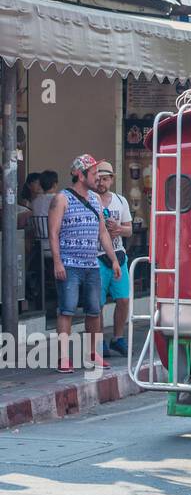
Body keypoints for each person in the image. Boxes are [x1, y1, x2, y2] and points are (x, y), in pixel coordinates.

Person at [47, 154, 118, 372]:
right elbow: (53, 232)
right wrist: (57, 262)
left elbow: (103, 232)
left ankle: (93, 355)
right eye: (94, 173)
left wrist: (113, 259)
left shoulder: (96, 200)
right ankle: (63, 358)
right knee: (67, 311)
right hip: (69, 264)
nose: (97, 178)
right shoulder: (62, 199)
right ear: (80, 174)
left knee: (94, 312)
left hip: (92, 265)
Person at [94, 162, 133, 358]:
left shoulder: (120, 200)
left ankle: (118, 338)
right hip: (97, 256)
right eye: (98, 178)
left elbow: (129, 229)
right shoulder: (90, 200)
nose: (101, 182)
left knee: (124, 299)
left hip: (118, 254)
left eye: (105, 178)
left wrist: (118, 229)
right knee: (98, 303)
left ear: (112, 179)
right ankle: (99, 341)